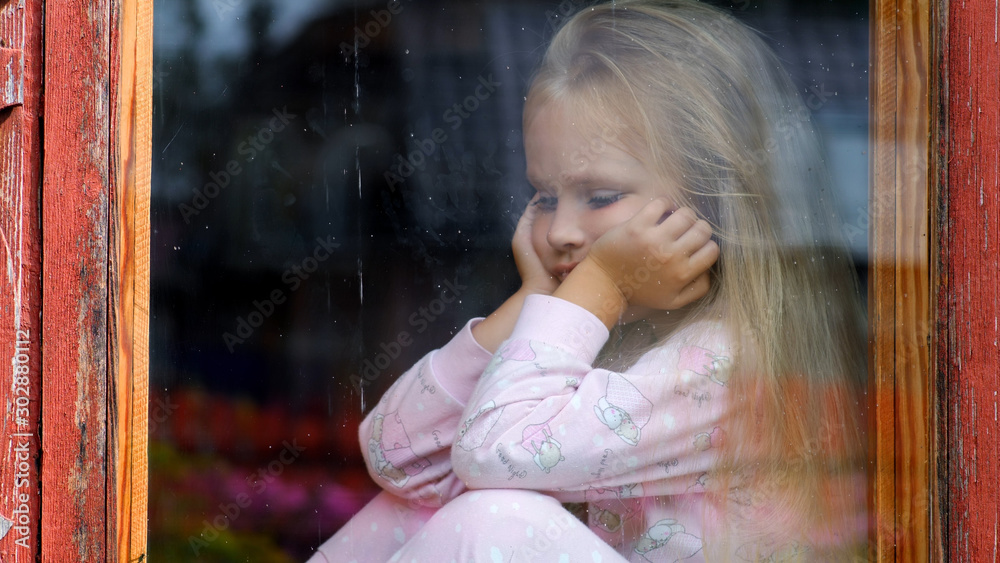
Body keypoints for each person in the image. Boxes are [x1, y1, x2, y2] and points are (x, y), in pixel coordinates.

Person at [310, 0, 868, 561]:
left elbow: (493, 453)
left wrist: (596, 286)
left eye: (601, 197)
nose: (561, 231)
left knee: (496, 519)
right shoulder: (594, 333)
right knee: (407, 511)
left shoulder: (720, 363)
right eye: (546, 197)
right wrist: (534, 299)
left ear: (713, 202)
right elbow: (399, 460)